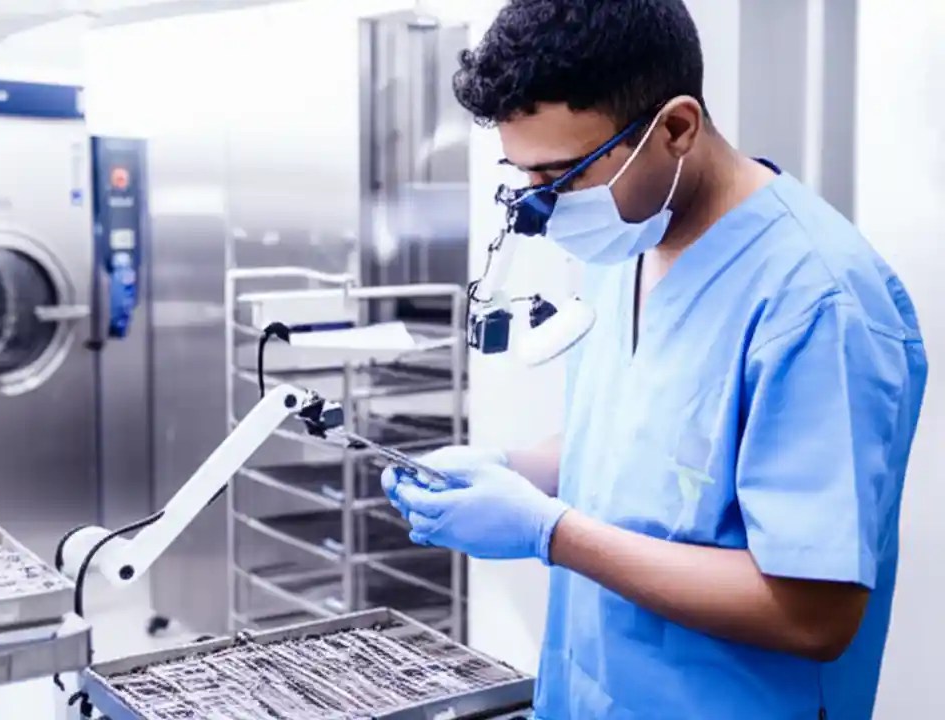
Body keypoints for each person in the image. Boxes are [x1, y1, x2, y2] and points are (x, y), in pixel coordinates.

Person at [380, 1, 928, 718]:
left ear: (675, 128)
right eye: (524, 178)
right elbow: (646, 444)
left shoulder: (818, 304)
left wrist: (548, 532)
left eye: (561, 176)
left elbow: (813, 614)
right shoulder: (630, 237)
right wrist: (511, 470)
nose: (545, 210)